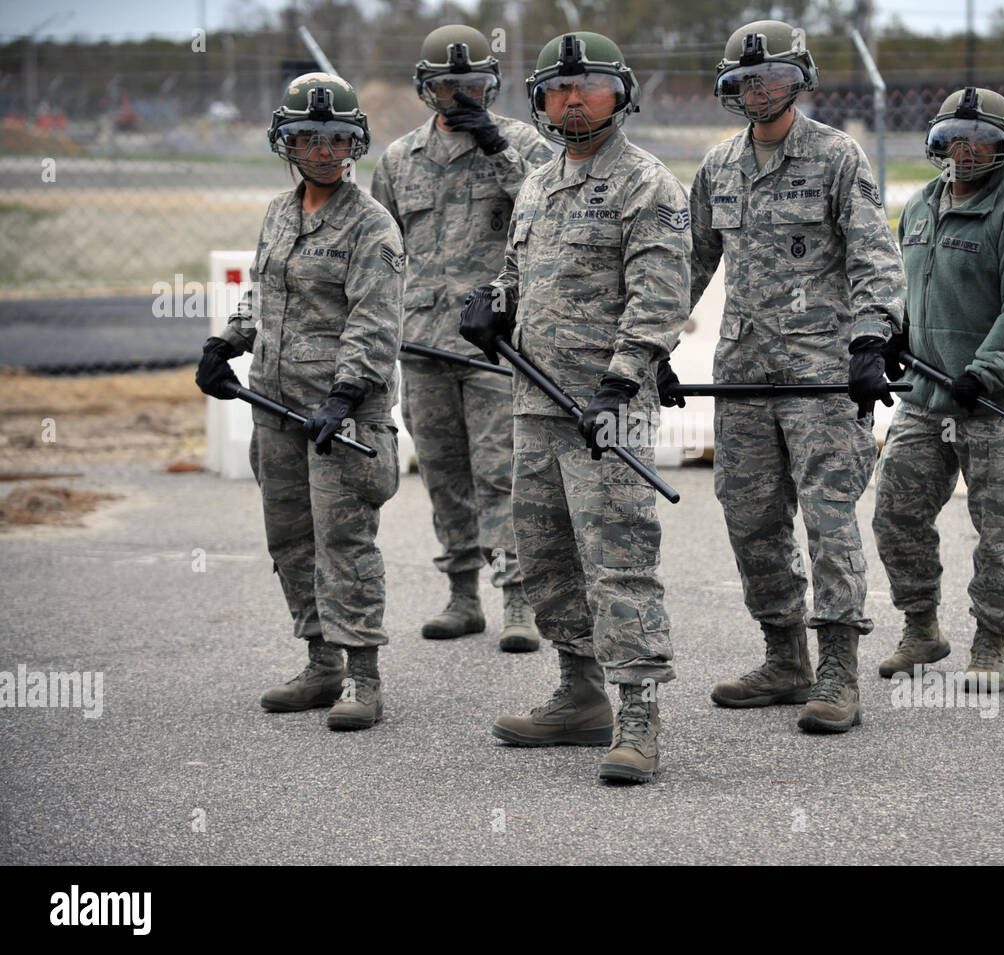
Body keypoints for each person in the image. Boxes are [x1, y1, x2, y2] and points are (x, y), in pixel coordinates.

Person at [459, 32, 691, 783]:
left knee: (619, 559)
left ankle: (637, 716)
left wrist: (622, 384)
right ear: (541, 102)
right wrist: (493, 306)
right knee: (545, 555)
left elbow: (659, 300)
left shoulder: (647, 184)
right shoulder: (539, 181)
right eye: (558, 88)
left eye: (587, 85)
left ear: (620, 94)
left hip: (606, 407)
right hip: (535, 400)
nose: (572, 98)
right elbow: (515, 270)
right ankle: (580, 691)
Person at [667, 20, 903, 734]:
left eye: (769, 77)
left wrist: (872, 336)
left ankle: (837, 670)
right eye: (743, 81)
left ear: (799, 80)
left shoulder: (837, 157)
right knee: (751, 518)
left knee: (829, 519)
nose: (756, 91)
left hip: (822, 373)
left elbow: (874, 254)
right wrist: (647, 344)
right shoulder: (717, 168)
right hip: (742, 373)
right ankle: (783, 656)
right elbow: (686, 264)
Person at [196, 73, 403, 730]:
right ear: (286, 143)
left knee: (345, 541)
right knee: (290, 538)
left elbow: (375, 320)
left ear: (355, 146)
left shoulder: (372, 226)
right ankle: (321, 663)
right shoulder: (280, 213)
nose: (323, 151)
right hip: (277, 406)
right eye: (308, 138)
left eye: (338, 140)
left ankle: (363, 675)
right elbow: (265, 293)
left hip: (343, 417)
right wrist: (226, 340)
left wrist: (344, 393)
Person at [872, 87, 1004, 690]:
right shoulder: (921, 206)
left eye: (981, 142)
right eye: (953, 139)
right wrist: (893, 338)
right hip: (925, 402)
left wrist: (984, 369)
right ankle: (921, 628)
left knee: (998, 527)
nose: (966, 152)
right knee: (895, 513)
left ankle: (991, 643)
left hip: (990, 404)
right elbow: (904, 289)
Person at [371, 25, 553, 653]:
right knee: (443, 471)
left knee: (502, 469)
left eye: (471, 85)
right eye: (445, 86)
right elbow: (382, 249)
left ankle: (519, 599)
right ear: (425, 89)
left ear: (491, 85)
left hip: (493, 341)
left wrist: (495, 143)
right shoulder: (398, 160)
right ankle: (462, 594)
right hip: (422, 341)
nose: (458, 96)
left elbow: (542, 208)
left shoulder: (522, 143)